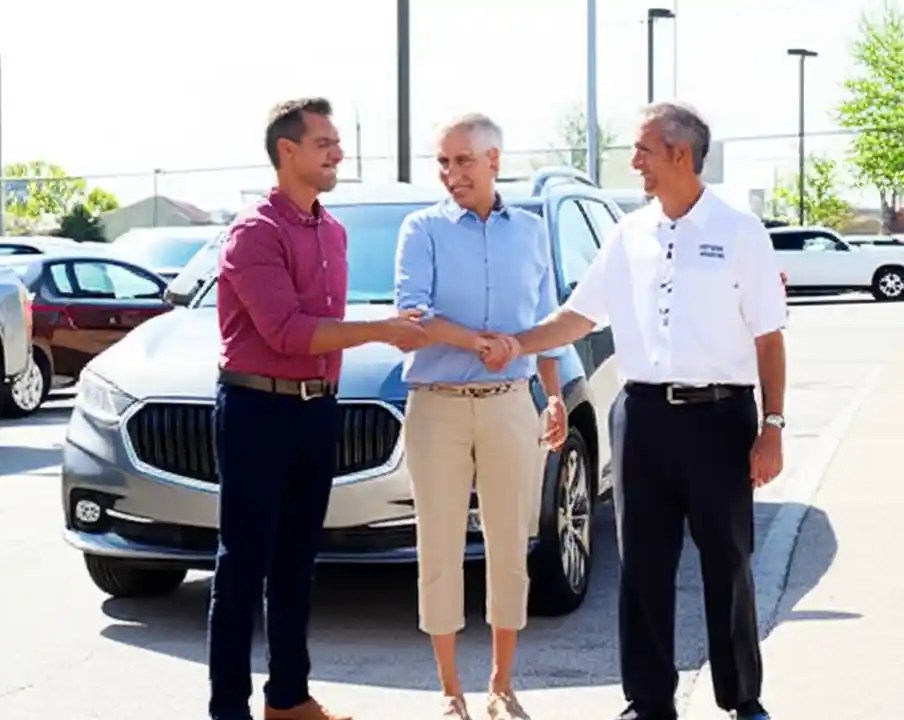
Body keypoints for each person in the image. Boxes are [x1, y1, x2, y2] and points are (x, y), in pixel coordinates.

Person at [480, 101, 785, 720]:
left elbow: (769, 337)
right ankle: (648, 701)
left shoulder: (739, 231)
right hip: (642, 418)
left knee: (728, 561)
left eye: (643, 149)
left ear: (680, 153)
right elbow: (580, 314)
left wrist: (772, 426)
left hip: (720, 418)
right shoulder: (629, 232)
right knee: (643, 565)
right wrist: (521, 342)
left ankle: (742, 697)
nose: (635, 162)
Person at [208, 97, 429, 720]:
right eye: (325, 142)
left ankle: (289, 699)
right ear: (288, 151)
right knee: (243, 562)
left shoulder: (332, 230)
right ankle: (228, 709)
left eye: (336, 142)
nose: (338, 152)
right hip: (257, 411)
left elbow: (319, 332)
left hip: (316, 412)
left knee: (298, 559)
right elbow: (287, 331)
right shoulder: (255, 232)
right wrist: (381, 330)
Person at [394, 112, 568, 720]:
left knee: (509, 546)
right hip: (436, 409)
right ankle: (449, 692)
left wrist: (552, 394)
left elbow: (545, 321)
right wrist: (479, 344)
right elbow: (412, 318)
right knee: (437, 547)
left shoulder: (533, 231)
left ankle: (501, 686)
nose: (450, 173)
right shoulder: (421, 228)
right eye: (442, 162)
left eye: (462, 160)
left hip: (508, 408)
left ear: (494, 159)